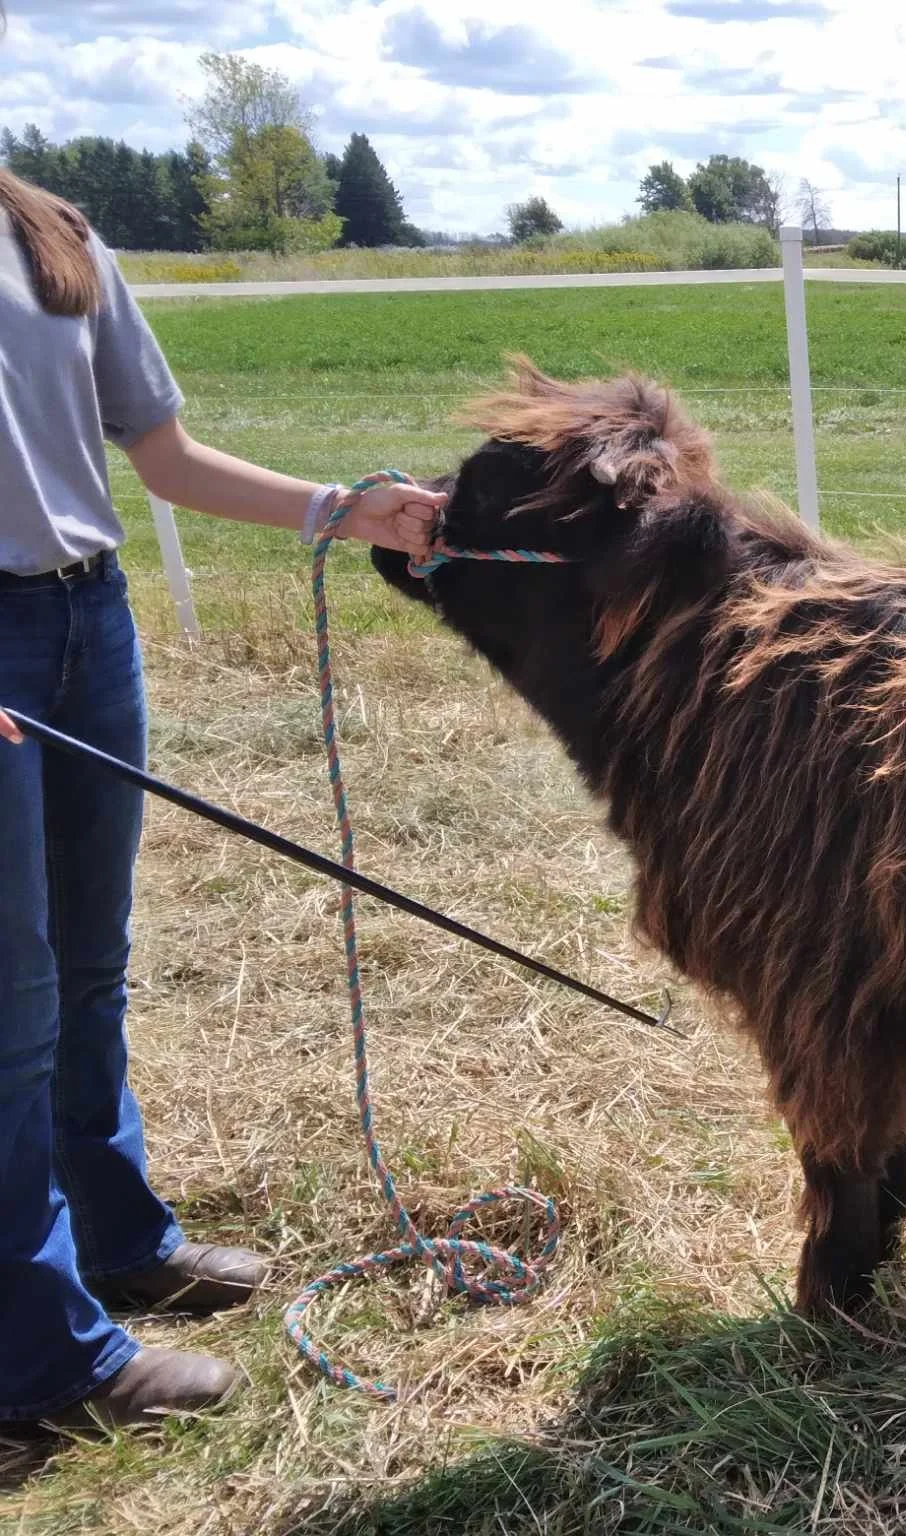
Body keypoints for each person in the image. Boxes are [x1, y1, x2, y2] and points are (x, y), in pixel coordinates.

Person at [0, 164, 446, 1433]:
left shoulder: (50, 237)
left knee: (89, 964)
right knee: (11, 1001)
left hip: (86, 620)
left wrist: (343, 513)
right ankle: (40, 1359)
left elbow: (166, 457)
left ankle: (116, 1239)